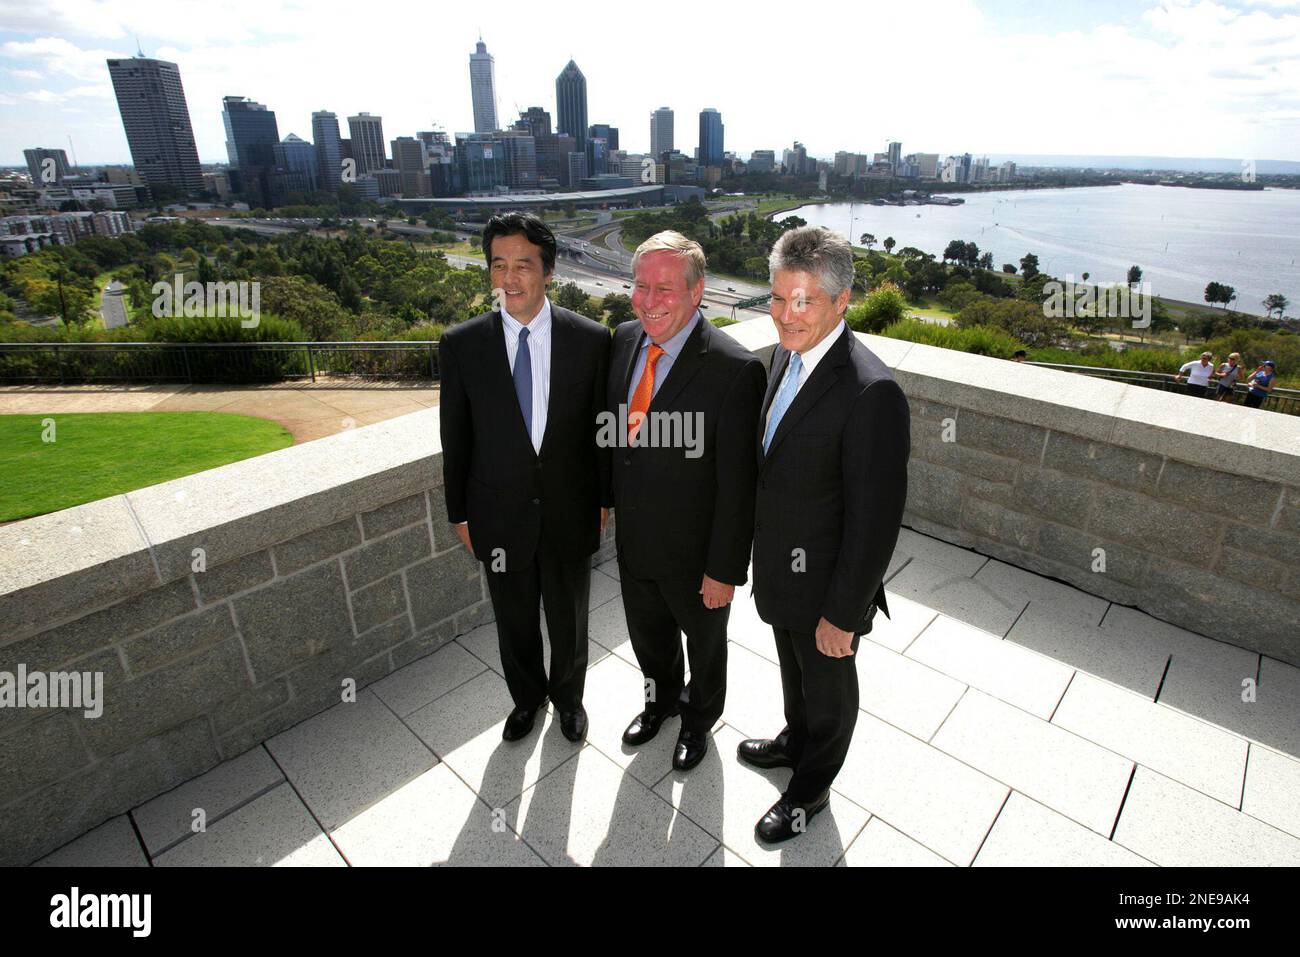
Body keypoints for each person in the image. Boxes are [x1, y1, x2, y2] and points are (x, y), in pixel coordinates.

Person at [740, 226, 910, 844]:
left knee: (829, 687)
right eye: (778, 298)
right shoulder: (787, 354)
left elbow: (875, 521)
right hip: (783, 569)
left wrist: (843, 614)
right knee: (793, 669)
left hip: (831, 584)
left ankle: (811, 786)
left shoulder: (873, 393)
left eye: (804, 301)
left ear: (841, 302)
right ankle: (794, 739)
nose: (786, 316)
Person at [439, 212, 611, 744]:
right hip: (497, 517)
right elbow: (456, 438)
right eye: (498, 265)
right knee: (513, 620)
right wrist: (459, 513)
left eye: (523, 265)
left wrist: (603, 501)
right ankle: (526, 699)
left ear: (548, 271)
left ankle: (569, 700)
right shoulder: (462, 345)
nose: (509, 279)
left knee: (569, 619)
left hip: (568, 511)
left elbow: (601, 431)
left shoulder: (591, 339)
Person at [607, 231, 766, 771]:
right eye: (641, 285)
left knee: (705, 648)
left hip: (698, 558)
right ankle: (659, 706)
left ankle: (698, 720)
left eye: (666, 289)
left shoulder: (734, 369)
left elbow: (739, 485)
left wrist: (724, 570)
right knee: (648, 640)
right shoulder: (623, 339)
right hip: (635, 542)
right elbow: (616, 440)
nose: (649, 300)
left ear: (697, 292)